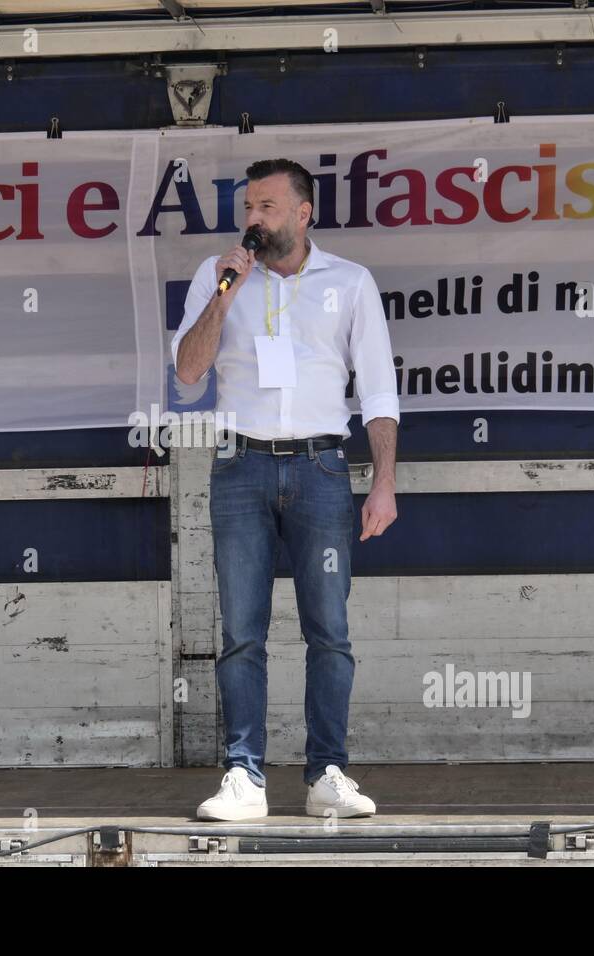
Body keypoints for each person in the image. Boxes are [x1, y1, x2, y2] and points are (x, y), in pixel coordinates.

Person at [171, 158, 400, 821]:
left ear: (303, 213)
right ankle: (243, 775)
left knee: (328, 630)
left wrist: (383, 480)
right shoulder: (218, 278)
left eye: (267, 206)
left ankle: (327, 771)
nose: (253, 218)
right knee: (241, 632)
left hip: (322, 469)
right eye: (248, 207)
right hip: (239, 467)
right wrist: (225, 294)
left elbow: (379, 390)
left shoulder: (350, 283)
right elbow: (188, 373)